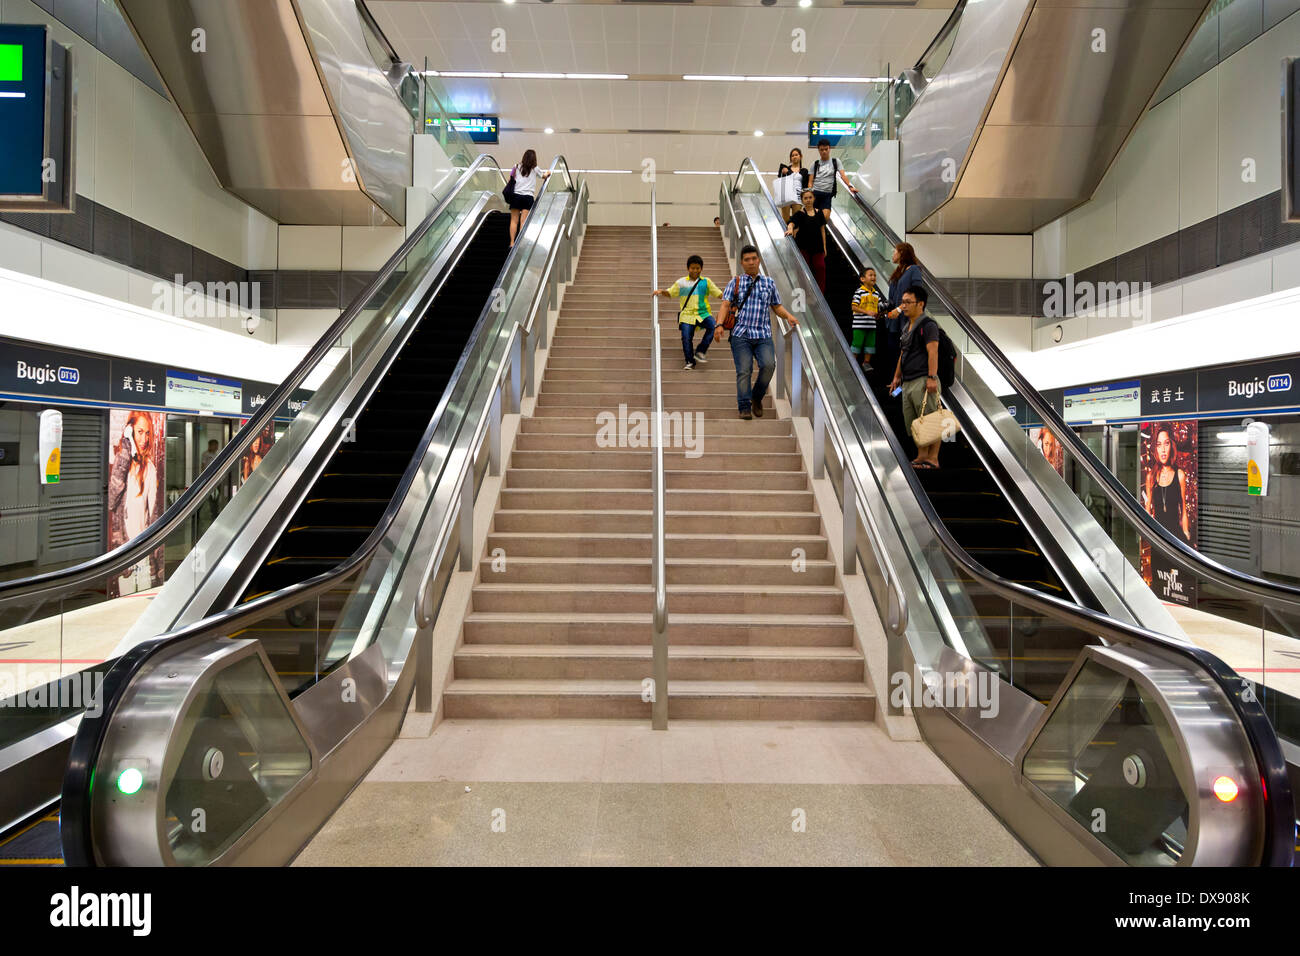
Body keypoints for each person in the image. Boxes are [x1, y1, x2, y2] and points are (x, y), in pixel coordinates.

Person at [716, 245, 800, 420]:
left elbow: (776, 306)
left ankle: (756, 397)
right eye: (747, 260)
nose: (751, 262)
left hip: (763, 335)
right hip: (741, 335)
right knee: (744, 370)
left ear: (759, 260)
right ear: (742, 262)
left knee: (769, 366)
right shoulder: (736, 282)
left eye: (754, 258)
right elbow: (725, 304)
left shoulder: (768, 283)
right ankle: (744, 406)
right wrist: (719, 325)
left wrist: (789, 316)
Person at [108, 411, 164, 594]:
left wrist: (157, 558)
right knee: (126, 598)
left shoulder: (149, 468)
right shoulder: (121, 462)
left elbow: (155, 515)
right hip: (125, 550)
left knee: (143, 597)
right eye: (139, 432)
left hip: (144, 551)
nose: (144, 439)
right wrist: (126, 450)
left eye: (147, 433)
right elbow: (111, 501)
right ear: (130, 431)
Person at [888, 286, 942, 470]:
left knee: (930, 419)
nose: (903, 306)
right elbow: (903, 353)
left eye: (908, 302)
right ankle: (921, 456)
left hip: (923, 379)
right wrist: (897, 377)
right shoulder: (906, 327)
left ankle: (933, 458)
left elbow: (932, 351)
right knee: (914, 422)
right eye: (902, 302)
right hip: (908, 381)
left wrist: (932, 377)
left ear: (921, 304)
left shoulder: (928, 325)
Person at [653, 254, 723, 370]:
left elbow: (719, 294)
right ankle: (690, 361)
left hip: (703, 313)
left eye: (697, 268)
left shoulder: (707, 282)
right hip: (687, 315)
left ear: (701, 269)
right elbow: (671, 292)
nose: (695, 270)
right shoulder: (681, 282)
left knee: (714, 326)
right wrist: (660, 292)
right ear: (688, 268)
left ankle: (700, 351)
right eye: (692, 268)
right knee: (686, 337)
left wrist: (731, 299)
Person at [1144, 426, 1191, 543]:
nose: (1163, 450)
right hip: (1157, 537)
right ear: (1155, 448)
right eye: (1159, 445)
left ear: (1172, 446)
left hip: (1176, 538)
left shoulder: (1179, 475)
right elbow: (1147, 511)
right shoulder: (1150, 477)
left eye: (1166, 443)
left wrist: (1186, 533)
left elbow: (1183, 511)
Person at [785, 189, 827, 291]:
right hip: (803, 247)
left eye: (810, 197)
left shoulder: (820, 213)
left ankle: (820, 293)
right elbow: (791, 223)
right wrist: (790, 229)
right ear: (802, 201)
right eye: (805, 198)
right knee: (802, 271)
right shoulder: (799, 214)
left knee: (821, 268)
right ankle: (805, 292)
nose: (808, 200)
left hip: (818, 247)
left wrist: (824, 247)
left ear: (814, 199)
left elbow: (822, 230)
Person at [507, 149, 551, 246]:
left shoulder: (516, 166)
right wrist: (548, 172)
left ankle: (512, 242)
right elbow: (544, 176)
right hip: (528, 197)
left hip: (516, 196)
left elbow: (511, 178)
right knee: (524, 221)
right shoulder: (535, 168)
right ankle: (520, 243)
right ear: (534, 158)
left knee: (514, 220)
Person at [810, 138, 858, 221]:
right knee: (812, 218)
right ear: (819, 150)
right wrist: (810, 194)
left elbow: (843, 176)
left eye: (826, 149)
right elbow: (810, 182)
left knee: (825, 217)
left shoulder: (836, 161)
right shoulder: (815, 164)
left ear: (829, 149)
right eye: (822, 150)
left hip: (827, 194)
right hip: (815, 193)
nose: (824, 151)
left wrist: (850, 186)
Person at [851, 266, 881, 372]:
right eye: (870, 275)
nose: (873, 277)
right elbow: (853, 306)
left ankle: (866, 362)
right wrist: (866, 312)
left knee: (870, 344)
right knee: (857, 343)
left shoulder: (876, 294)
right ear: (862, 279)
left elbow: (880, 307)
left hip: (871, 325)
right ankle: (852, 362)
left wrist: (880, 312)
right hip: (859, 325)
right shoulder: (859, 292)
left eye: (874, 275)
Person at [776, 147, 810, 222]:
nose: (794, 157)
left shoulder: (804, 171)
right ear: (790, 158)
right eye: (792, 155)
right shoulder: (785, 168)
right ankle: (786, 232)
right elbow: (780, 180)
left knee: (796, 219)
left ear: (800, 156)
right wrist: (784, 172)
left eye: (796, 155)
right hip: (786, 195)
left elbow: (806, 186)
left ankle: (794, 233)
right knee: (785, 219)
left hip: (797, 195)